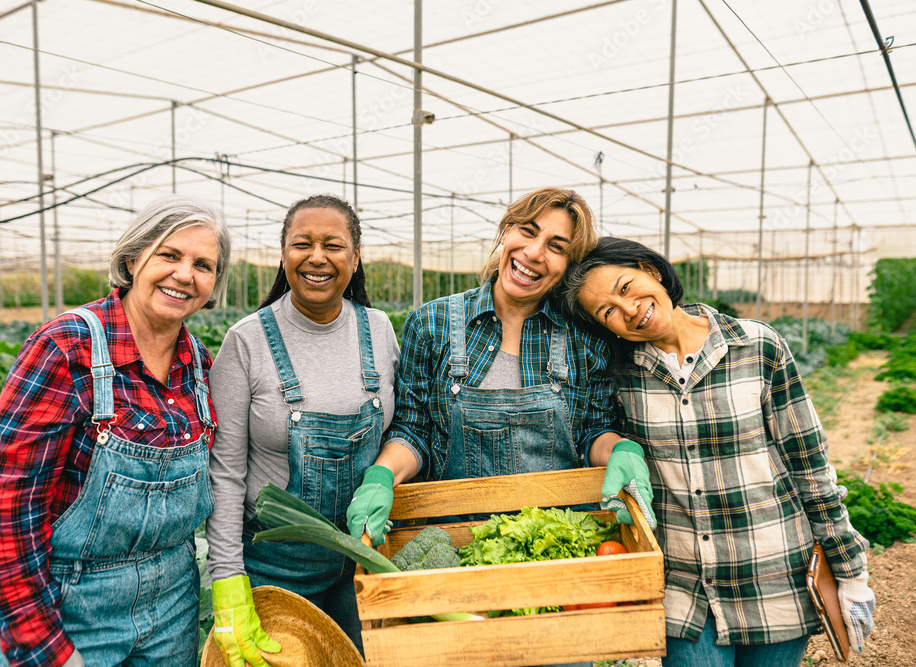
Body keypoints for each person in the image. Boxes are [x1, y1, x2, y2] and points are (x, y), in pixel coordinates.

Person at [346, 187, 654, 667]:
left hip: (557, 564)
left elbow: (592, 430)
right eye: (527, 232)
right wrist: (383, 474)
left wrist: (620, 449)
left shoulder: (582, 336)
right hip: (457, 556)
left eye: (557, 246)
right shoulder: (433, 323)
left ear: (568, 265)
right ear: (506, 230)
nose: (534, 253)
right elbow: (415, 431)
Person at [557, 237, 875, 667]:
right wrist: (615, 448)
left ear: (647, 268)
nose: (628, 309)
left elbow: (809, 464)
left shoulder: (757, 346)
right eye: (608, 311)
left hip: (774, 578)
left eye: (626, 287)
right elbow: (596, 435)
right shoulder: (620, 374)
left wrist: (850, 570)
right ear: (606, 327)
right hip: (684, 589)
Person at [0, 196, 230, 667]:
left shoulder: (200, 365)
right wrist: (37, 643)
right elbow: (6, 507)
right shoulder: (65, 348)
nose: (184, 274)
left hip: (174, 602)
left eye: (203, 265)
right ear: (133, 260)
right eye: (169, 255)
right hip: (72, 607)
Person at [205, 194, 400, 666]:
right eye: (302, 244)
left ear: (355, 258)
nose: (317, 257)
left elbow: (401, 430)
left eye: (333, 245)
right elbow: (226, 474)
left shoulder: (379, 329)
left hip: (361, 561)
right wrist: (227, 577)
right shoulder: (247, 341)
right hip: (273, 568)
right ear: (284, 254)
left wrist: (382, 478)